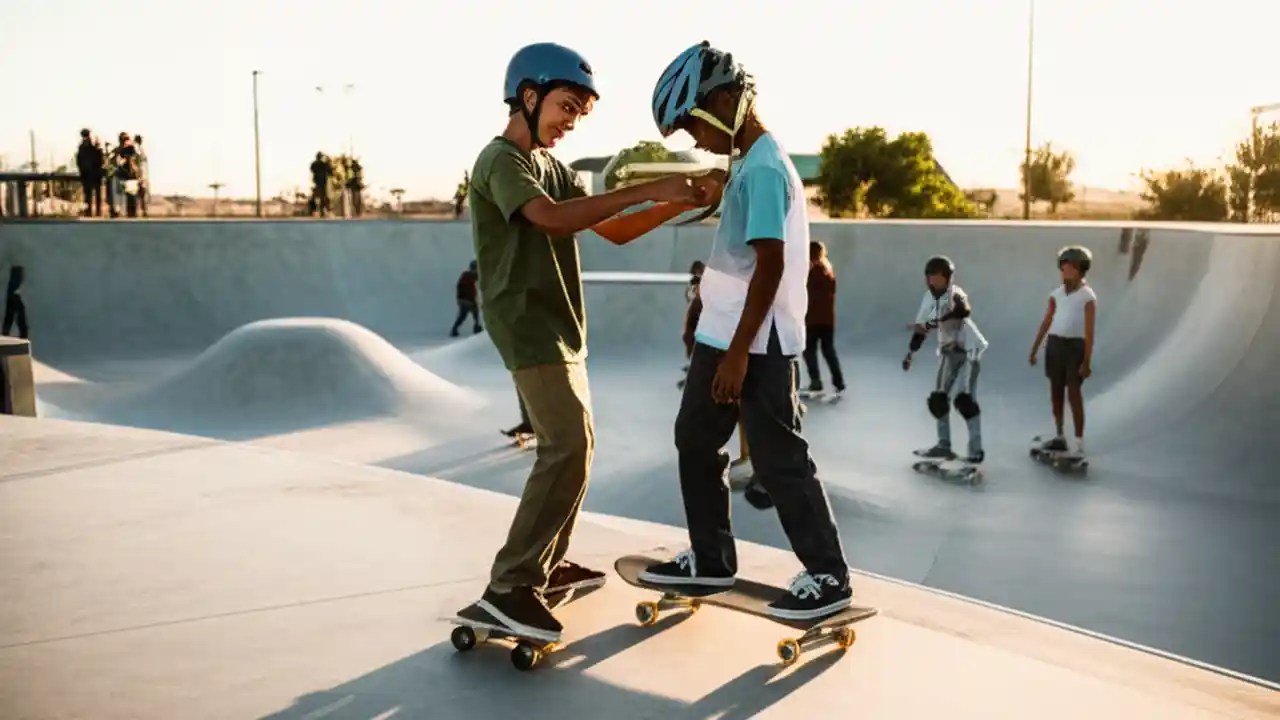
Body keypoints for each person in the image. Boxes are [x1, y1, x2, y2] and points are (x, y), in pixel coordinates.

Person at [464, 42, 715, 644]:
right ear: (528, 96)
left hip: (562, 324)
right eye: (565, 107)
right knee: (565, 446)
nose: (571, 121)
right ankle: (508, 587)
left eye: (580, 113)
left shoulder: (557, 169)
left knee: (578, 447)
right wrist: (639, 190)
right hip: (526, 322)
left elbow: (616, 231)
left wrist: (675, 200)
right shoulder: (501, 162)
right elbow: (548, 218)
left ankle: (542, 568)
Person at [636, 41, 853, 621]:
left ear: (726, 101)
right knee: (695, 439)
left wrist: (737, 356)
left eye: (693, 125)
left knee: (779, 459)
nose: (693, 139)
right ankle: (711, 556)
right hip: (723, 334)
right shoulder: (747, 165)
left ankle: (829, 575)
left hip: (755, 343)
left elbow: (773, 265)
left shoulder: (763, 169)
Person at [902, 256, 988, 463]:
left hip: (969, 351)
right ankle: (943, 445)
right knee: (938, 400)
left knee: (964, 400)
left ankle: (976, 450)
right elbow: (922, 328)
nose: (933, 281)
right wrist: (910, 354)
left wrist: (937, 320)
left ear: (947, 278)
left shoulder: (955, 294)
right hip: (948, 352)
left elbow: (963, 310)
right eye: (930, 277)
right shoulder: (929, 299)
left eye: (937, 277)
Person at [1028, 246, 1096, 460]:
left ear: (1081, 270)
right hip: (1055, 345)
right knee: (1056, 392)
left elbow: (1089, 331)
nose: (1066, 271)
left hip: (1075, 347)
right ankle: (1059, 435)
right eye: (1063, 267)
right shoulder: (1056, 295)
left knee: (1074, 393)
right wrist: (1035, 348)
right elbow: (1047, 321)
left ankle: (1078, 441)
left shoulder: (1087, 297)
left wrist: (1087, 361)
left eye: (1071, 268)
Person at [802, 240, 844, 398]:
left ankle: (816, 381)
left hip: (813, 318)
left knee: (809, 350)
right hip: (827, 319)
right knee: (828, 350)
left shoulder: (813, 270)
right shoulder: (828, 268)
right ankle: (838, 382)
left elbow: (807, 293)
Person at [75, 129, 104, 217]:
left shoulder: (82, 147)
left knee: (88, 194)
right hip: (94, 173)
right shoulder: (94, 147)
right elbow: (100, 160)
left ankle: (89, 212)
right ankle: (97, 211)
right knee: (96, 194)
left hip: (87, 174)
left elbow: (79, 160)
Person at [450, 260, 482, 336]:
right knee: (463, 315)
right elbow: (475, 278)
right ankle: (454, 330)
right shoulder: (467, 275)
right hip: (465, 299)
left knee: (475, 313)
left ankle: (476, 327)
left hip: (468, 299)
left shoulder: (467, 276)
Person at [3, 265, 28, 339]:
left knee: (10, 320)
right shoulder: (14, 296)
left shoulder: (13, 294)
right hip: (14, 298)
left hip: (13, 297)